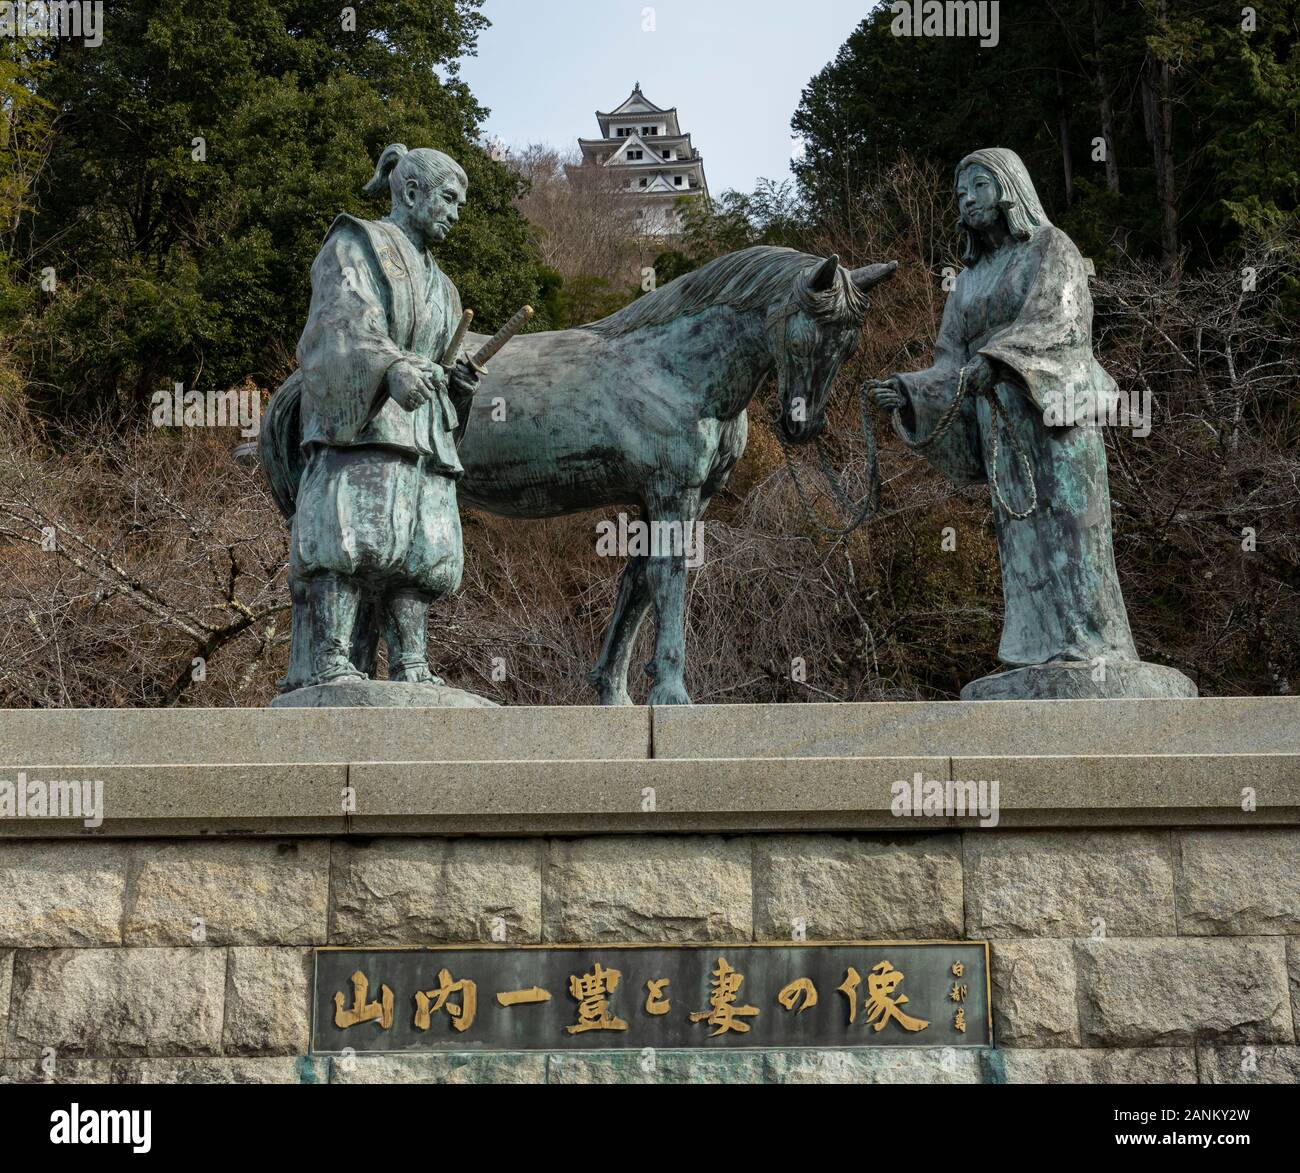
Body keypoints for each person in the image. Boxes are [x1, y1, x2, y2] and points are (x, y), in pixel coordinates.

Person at [868, 147, 1194, 698]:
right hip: (1001, 429)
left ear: (1009, 189)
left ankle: (1093, 644)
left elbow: (1060, 323)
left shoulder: (1050, 248)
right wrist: (906, 390)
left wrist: (996, 361)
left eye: (977, 185)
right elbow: (949, 362)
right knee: (1022, 542)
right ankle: (1037, 652)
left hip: (1056, 416)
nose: (966, 198)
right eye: (959, 191)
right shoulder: (967, 280)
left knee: (1073, 529)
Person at [282, 143, 480, 690]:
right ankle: (330, 657)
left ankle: (412, 660)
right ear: (412, 192)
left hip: (422, 432)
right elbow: (339, 324)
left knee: (420, 550)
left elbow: (439, 360)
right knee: (350, 539)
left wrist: (455, 383)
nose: (456, 213)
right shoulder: (354, 244)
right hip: (365, 424)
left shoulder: (443, 284)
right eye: (449, 199)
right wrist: (391, 368)